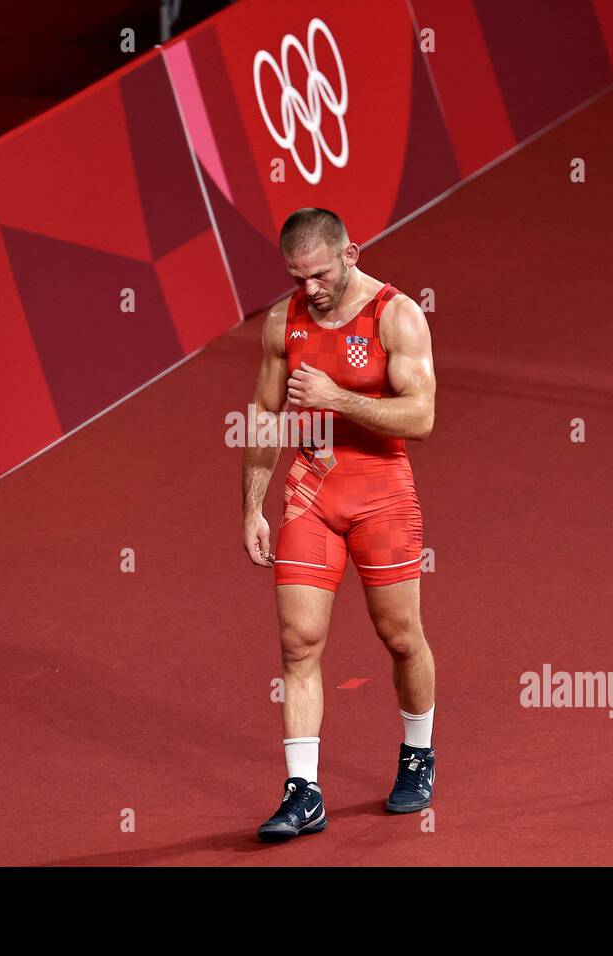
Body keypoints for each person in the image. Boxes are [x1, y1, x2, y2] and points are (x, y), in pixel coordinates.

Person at [242, 208, 438, 842]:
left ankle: (418, 752)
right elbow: (266, 416)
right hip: (312, 493)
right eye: (297, 278)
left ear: (350, 253)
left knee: (401, 637)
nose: (309, 290)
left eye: (319, 276)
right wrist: (251, 505)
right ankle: (303, 791)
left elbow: (421, 418)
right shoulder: (282, 322)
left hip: (382, 494)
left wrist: (339, 399)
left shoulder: (396, 315)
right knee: (298, 643)